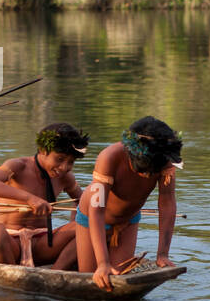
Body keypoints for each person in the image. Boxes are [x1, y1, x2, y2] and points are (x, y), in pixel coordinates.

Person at [75, 117, 183, 291]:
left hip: (128, 221)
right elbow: (97, 211)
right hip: (92, 219)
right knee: (90, 282)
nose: (147, 176)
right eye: (143, 170)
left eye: (152, 172)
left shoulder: (164, 159)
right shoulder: (109, 157)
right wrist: (102, 263)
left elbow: (167, 203)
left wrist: (162, 254)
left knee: (119, 281)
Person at [0, 123, 88, 267]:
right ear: (42, 150)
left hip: (43, 243)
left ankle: (57, 271)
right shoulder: (18, 166)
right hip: (11, 244)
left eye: (70, 162)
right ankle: (12, 273)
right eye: (59, 159)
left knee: (87, 227)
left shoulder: (65, 177)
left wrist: (74, 222)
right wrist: (30, 199)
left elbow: (82, 202)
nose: (64, 167)